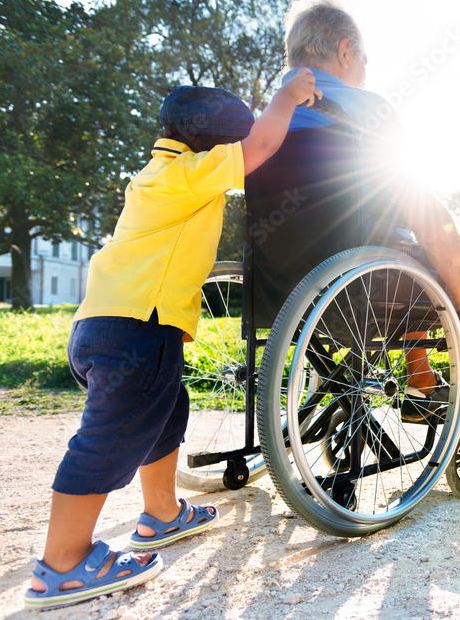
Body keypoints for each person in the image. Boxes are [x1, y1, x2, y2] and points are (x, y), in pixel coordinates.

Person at [25, 73, 322, 610]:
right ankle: (62, 566)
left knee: (165, 411)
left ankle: (162, 514)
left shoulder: (158, 172)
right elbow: (260, 146)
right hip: (137, 327)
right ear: (209, 145)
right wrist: (287, 97)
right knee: (109, 438)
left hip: (108, 326)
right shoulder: (188, 173)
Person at [280, 0, 460, 418]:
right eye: (363, 60)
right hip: (368, 288)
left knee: (401, 243)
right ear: (345, 51)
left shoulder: (271, 120)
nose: (364, 71)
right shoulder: (363, 108)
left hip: (291, 290)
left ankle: (422, 379)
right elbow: (424, 210)